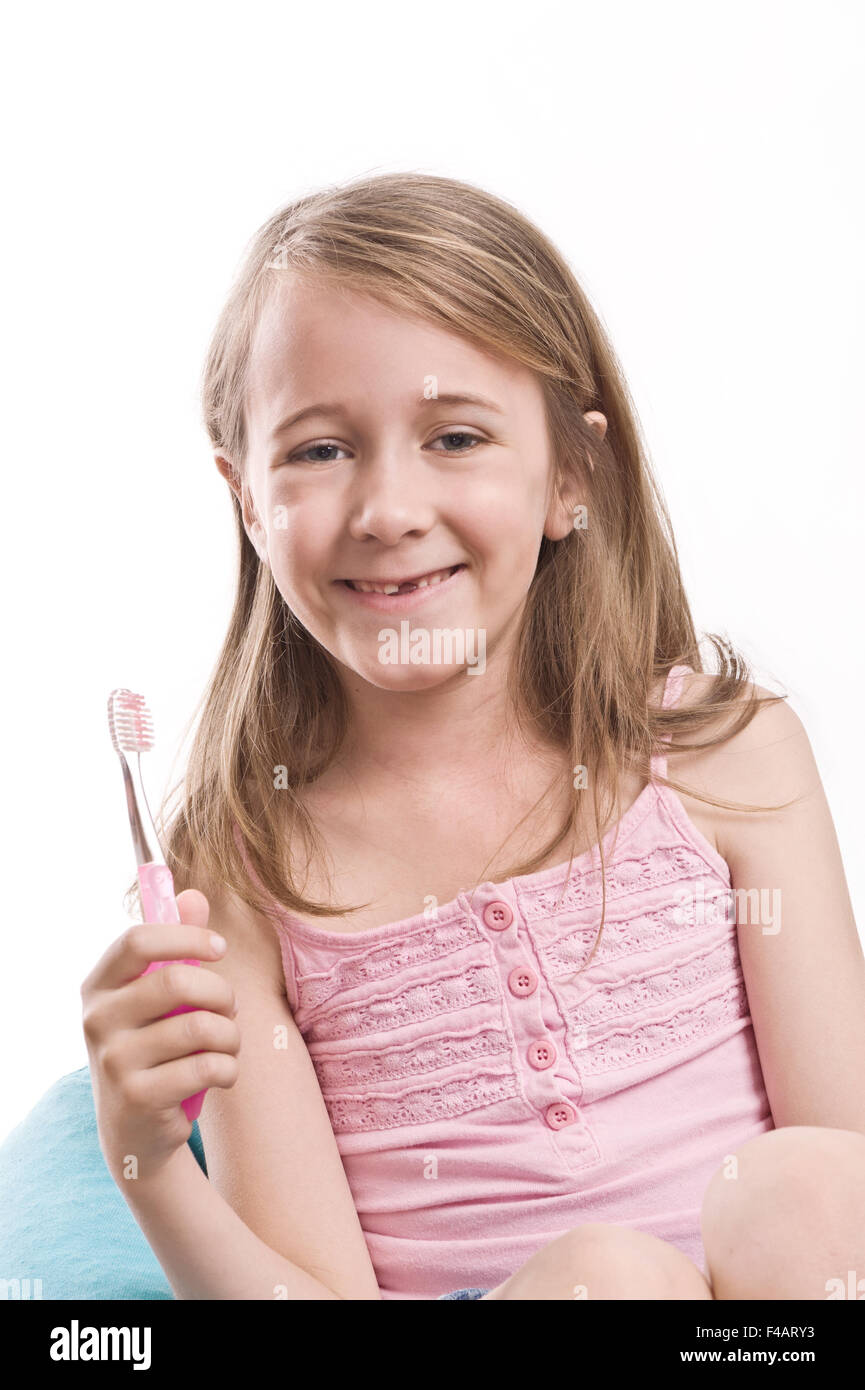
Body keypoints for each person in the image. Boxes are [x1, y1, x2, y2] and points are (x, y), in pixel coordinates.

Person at [81, 172, 865, 1301]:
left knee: (794, 1188)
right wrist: (150, 1159)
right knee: (607, 1279)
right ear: (247, 503)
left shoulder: (723, 759)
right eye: (316, 451)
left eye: (454, 436)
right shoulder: (241, 876)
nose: (388, 509)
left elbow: (847, 1181)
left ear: (571, 475)